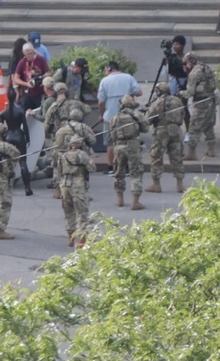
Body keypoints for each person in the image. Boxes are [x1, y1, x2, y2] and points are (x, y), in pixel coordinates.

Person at [52, 102, 96, 248]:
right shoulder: (82, 153)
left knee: (68, 211)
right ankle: (82, 239)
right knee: (81, 212)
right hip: (78, 182)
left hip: (65, 183)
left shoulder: (61, 151)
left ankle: (70, 237)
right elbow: (91, 168)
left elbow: (58, 165)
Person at [107, 93, 147, 211]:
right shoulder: (137, 115)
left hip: (119, 146)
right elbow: (145, 128)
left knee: (119, 173)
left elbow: (112, 135)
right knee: (136, 173)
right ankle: (135, 201)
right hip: (133, 146)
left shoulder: (115, 117)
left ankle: (120, 199)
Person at [145, 86, 185, 192]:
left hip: (161, 132)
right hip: (176, 130)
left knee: (156, 157)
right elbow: (182, 115)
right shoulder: (177, 101)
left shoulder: (157, 102)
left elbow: (147, 120)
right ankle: (180, 184)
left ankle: (156, 184)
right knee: (177, 157)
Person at [183, 50, 217, 160]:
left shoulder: (194, 73)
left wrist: (180, 93)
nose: (186, 66)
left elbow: (190, 92)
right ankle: (210, 150)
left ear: (191, 61)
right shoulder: (207, 68)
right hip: (211, 101)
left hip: (200, 103)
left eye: (186, 63)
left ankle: (191, 153)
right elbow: (215, 84)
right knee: (209, 125)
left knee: (194, 127)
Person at [95, 60, 136, 137]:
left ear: (109, 68)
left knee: (110, 143)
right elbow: (139, 92)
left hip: (109, 117)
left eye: (105, 70)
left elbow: (101, 102)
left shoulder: (104, 81)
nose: (105, 73)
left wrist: (102, 115)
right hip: (127, 116)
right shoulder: (129, 77)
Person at [12, 39, 49, 110]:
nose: (29, 56)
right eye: (27, 54)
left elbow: (48, 72)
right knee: (24, 111)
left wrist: (41, 77)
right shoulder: (22, 62)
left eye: (31, 53)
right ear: (24, 53)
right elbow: (16, 78)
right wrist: (26, 84)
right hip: (27, 93)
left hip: (40, 92)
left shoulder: (40, 59)